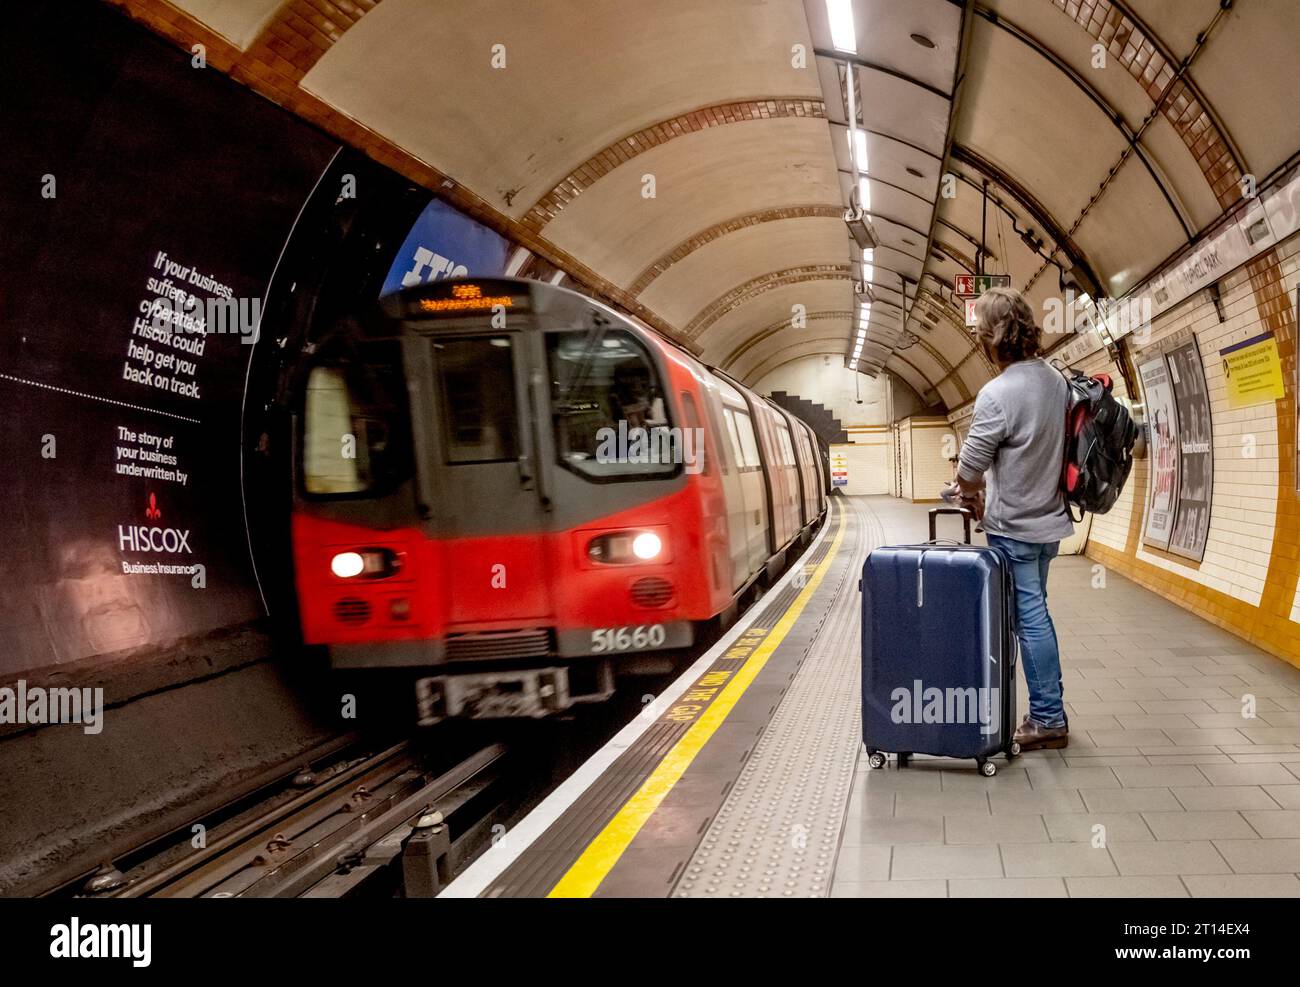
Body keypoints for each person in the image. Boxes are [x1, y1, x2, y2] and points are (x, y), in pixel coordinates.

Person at [951, 287, 1074, 751]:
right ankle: (1046, 709)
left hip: (1015, 529)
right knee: (1035, 611)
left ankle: (1048, 717)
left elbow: (970, 468)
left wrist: (969, 492)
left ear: (990, 339)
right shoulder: (1056, 381)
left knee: (1030, 618)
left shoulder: (997, 394)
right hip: (1050, 524)